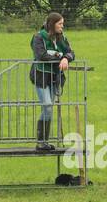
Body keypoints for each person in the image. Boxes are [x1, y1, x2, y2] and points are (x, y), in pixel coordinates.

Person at [29, 12, 76, 151]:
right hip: (41, 75)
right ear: (52, 24)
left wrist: (66, 58)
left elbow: (71, 52)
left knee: (48, 108)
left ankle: (44, 142)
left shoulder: (62, 38)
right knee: (48, 106)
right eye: (60, 23)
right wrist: (58, 57)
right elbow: (41, 55)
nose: (62, 26)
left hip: (55, 77)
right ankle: (41, 142)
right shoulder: (38, 37)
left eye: (63, 24)